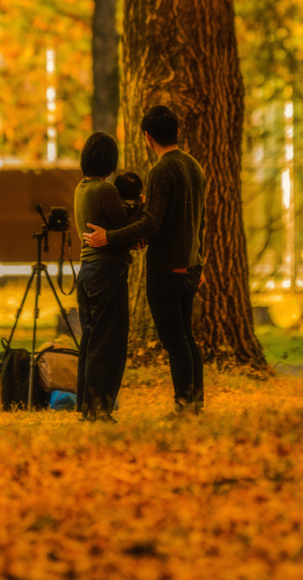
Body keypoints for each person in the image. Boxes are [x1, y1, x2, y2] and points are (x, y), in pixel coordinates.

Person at [85, 105, 206, 416]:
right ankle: (195, 403)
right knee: (187, 336)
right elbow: (197, 221)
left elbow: (152, 222)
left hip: (167, 268)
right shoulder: (196, 167)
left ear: (147, 137)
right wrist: (200, 261)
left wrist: (108, 238)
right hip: (191, 266)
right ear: (177, 131)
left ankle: (184, 406)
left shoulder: (161, 170)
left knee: (175, 339)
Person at [72, 132, 131, 423]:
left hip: (86, 272)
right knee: (110, 342)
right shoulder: (105, 190)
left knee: (90, 340)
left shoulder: (81, 188)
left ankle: (86, 406)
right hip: (108, 271)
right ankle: (101, 408)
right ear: (111, 160)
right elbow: (124, 226)